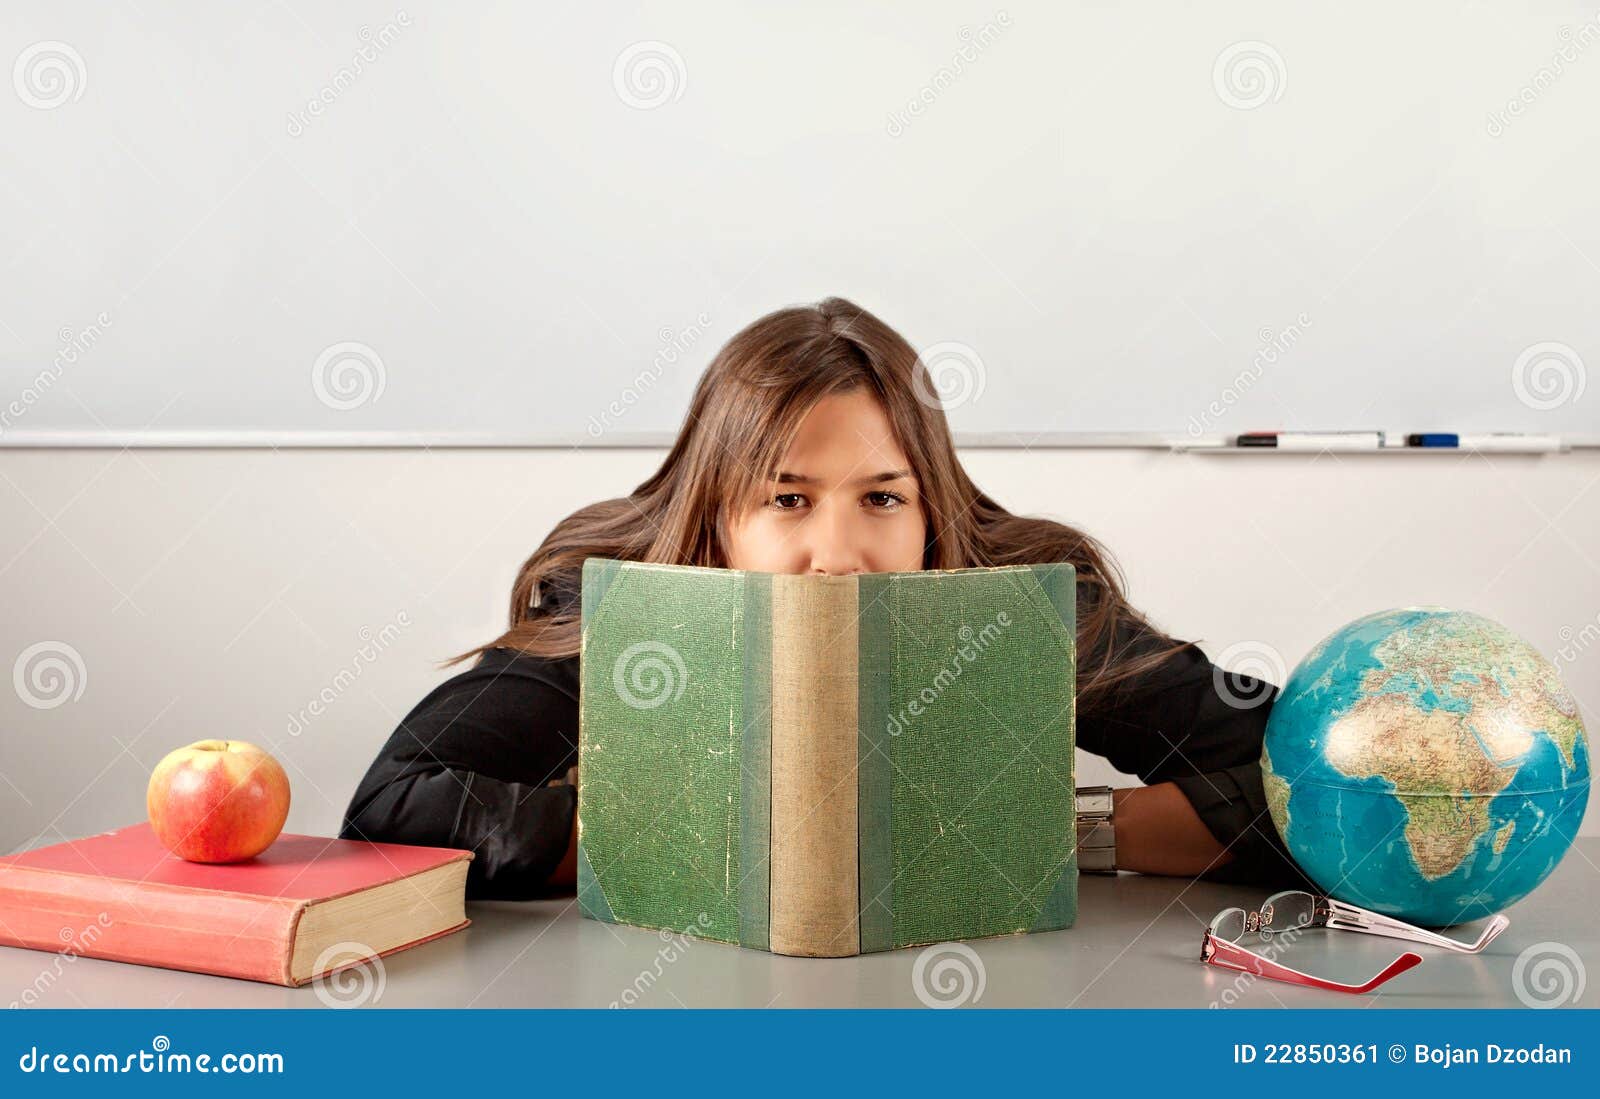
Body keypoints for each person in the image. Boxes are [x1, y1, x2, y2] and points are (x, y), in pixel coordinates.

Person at [339, 297, 1315, 900]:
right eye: (787, 501)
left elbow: (1316, 782)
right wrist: (708, 839)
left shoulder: (1025, 603)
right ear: (717, 517)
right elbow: (396, 804)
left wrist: (1031, 833)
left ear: (932, 513)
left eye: (882, 499)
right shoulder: (616, 604)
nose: (837, 557)